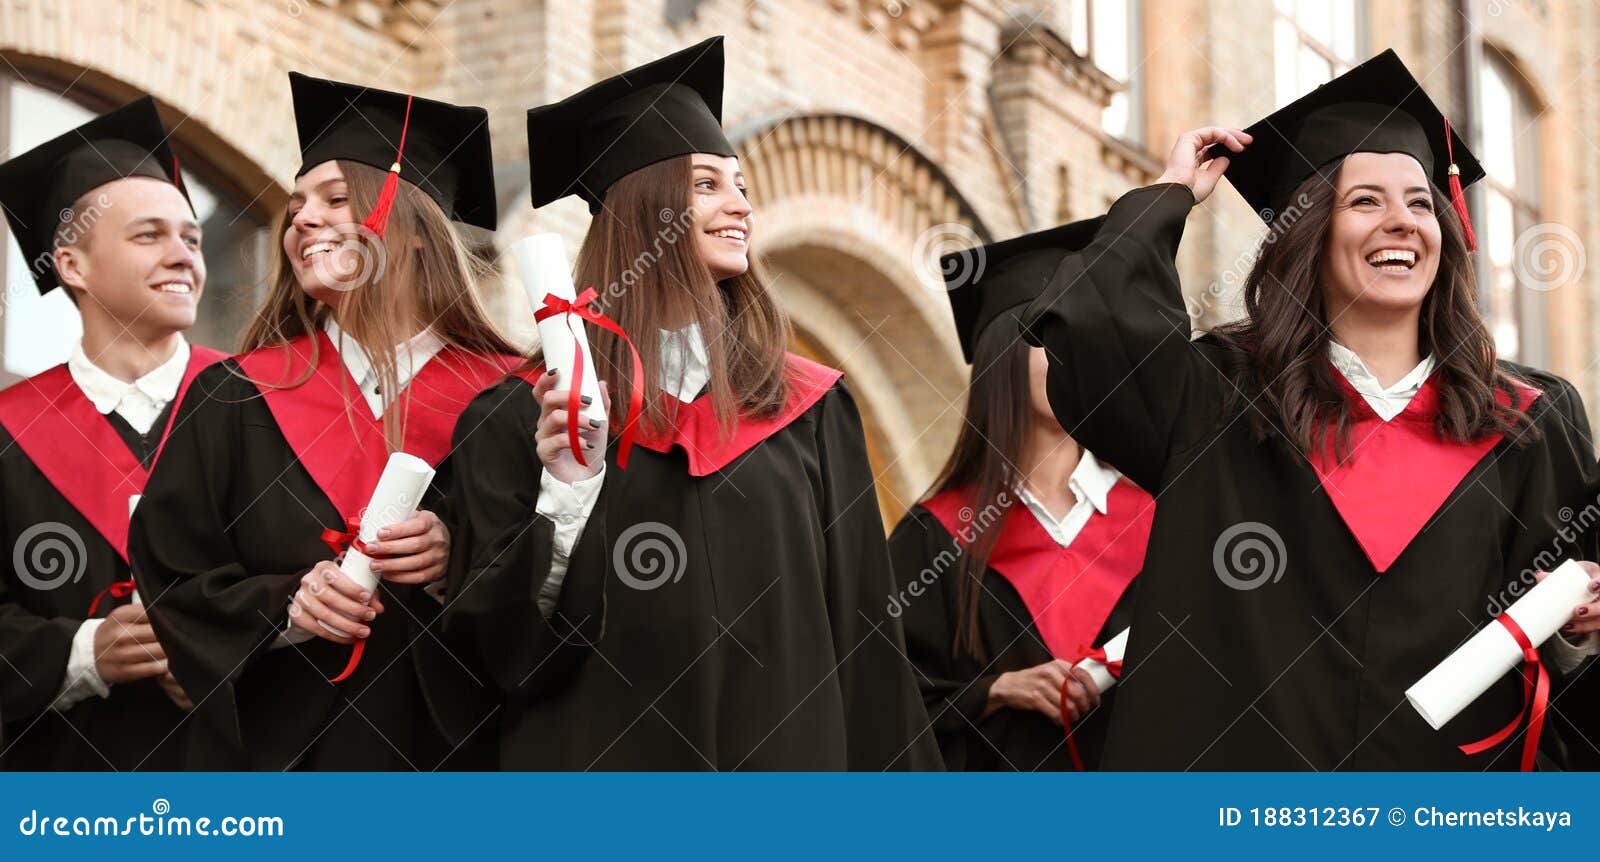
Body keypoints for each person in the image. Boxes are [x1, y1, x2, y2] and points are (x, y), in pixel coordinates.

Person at [1019, 49, 1600, 770]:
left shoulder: (1527, 421)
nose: (1402, 222)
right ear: (1310, 232)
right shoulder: (1216, 395)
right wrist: (1168, 196)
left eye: (1421, 203)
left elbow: (1573, 631)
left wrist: (1584, 627)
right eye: (1366, 202)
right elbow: (1089, 335)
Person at [442, 37, 941, 770]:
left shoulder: (809, 409)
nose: (741, 206)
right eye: (707, 185)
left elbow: (866, 643)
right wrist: (568, 490)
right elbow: (496, 656)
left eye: (741, 187)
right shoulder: (523, 415)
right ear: (643, 213)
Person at [129, 74, 520, 770]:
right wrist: (286, 606)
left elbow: (565, 584)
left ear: (416, 231)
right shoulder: (235, 397)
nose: (302, 220)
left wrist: (457, 557)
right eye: (296, 206)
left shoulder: (513, 397)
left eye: (336, 199)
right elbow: (175, 577)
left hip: (460, 765)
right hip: (278, 769)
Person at [0, 98, 222, 770]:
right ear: (73, 266)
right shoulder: (10, 432)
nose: (183, 256)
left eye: (192, 238)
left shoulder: (259, 406)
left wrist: (224, 651)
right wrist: (84, 653)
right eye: (149, 236)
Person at [887, 219, 1154, 771]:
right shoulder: (934, 538)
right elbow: (883, 699)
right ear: (1003, 356)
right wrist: (995, 691)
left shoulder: (1159, 521)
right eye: (1049, 336)